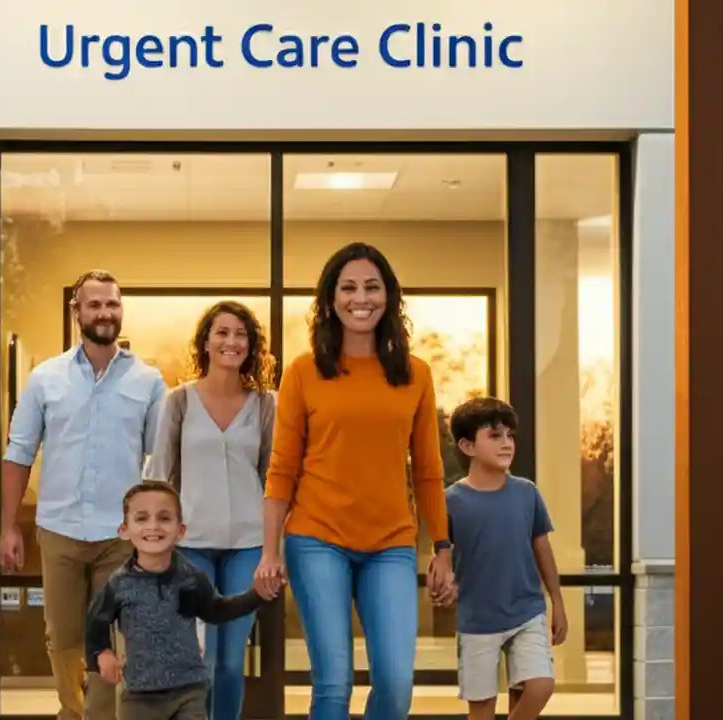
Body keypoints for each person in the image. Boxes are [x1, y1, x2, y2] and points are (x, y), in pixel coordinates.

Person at [255, 242, 457, 720]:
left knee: (395, 684)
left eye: (371, 286)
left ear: (389, 297)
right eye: (347, 287)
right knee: (333, 684)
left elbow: (428, 470)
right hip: (316, 537)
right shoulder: (304, 373)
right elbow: (282, 466)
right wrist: (270, 550)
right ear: (330, 299)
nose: (359, 298)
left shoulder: (416, 375)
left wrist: (443, 549)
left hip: (391, 542)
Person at [0, 269, 167, 720]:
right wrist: (8, 526)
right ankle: (72, 713)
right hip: (60, 531)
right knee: (65, 639)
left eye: (112, 304)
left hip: (120, 535)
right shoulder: (45, 379)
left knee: (113, 640)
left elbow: (164, 463)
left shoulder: (148, 382)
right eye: (94, 304)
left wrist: (158, 530)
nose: (105, 313)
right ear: (77, 312)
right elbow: (18, 453)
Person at [142, 300, 276, 720]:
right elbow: (159, 476)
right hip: (192, 546)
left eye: (240, 334)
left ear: (251, 346)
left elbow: (275, 479)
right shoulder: (178, 400)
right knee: (201, 661)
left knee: (232, 661)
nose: (231, 342)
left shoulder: (266, 405)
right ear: (205, 342)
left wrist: (278, 546)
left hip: (248, 546)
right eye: (221, 332)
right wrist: (151, 545)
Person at [86, 481, 275, 720]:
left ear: (181, 530)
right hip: (139, 697)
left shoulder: (191, 578)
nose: (153, 527)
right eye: (141, 518)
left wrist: (256, 595)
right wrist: (102, 653)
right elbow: (96, 622)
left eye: (164, 518)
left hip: (189, 692)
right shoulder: (119, 584)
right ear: (124, 530)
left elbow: (216, 610)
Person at [444, 396, 566, 720]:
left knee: (539, 686)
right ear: (468, 446)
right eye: (495, 436)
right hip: (477, 619)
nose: (506, 443)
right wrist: (440, 576)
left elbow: (543, 549)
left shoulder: (527, 492)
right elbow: (441, 553)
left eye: (510, 435)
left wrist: (557, 601)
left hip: (527, 611)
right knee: (482, 710)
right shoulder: (451, 501)